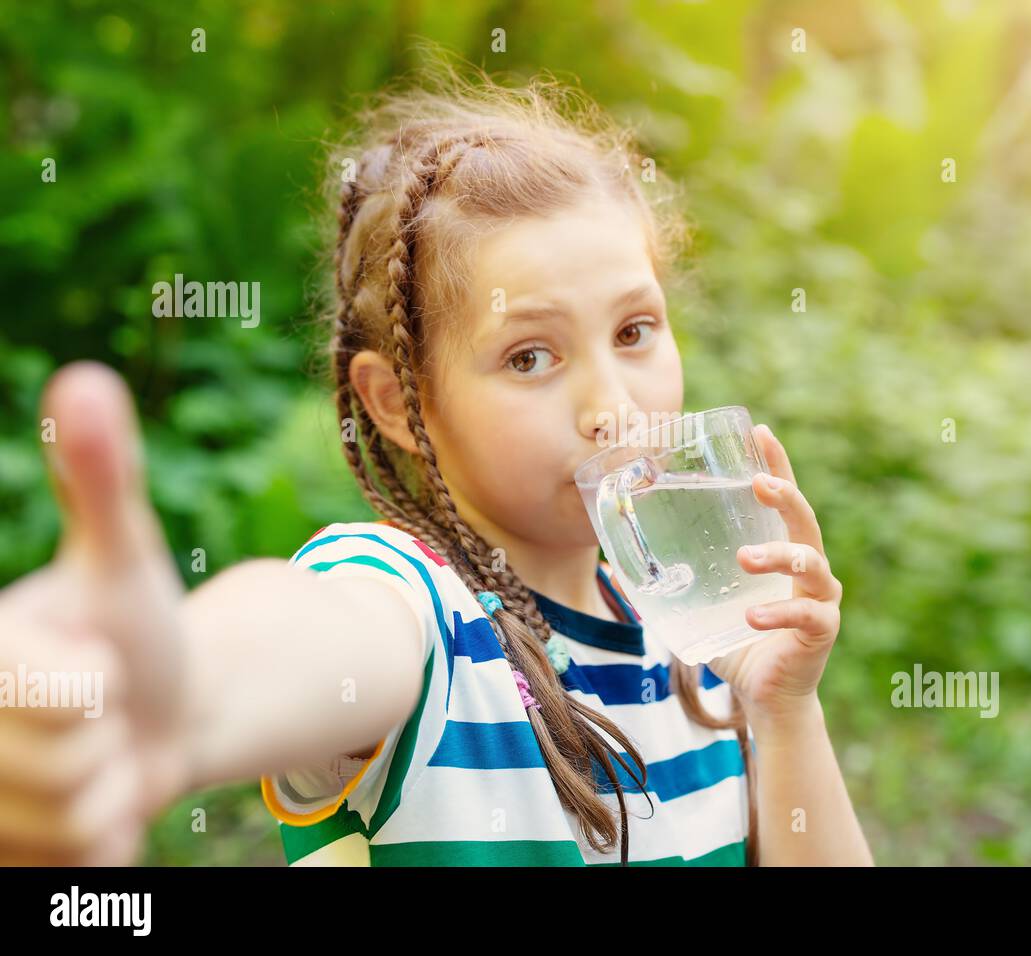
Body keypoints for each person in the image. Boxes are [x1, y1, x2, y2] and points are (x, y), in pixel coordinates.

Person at [0, 58, 872, 867]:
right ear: (395, 401)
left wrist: (783, 708)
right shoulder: (415, 609)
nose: (614, 408)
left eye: (634, 332)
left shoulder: (701, 649)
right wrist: (171, 698)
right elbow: (306, 638)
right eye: (530, 356)